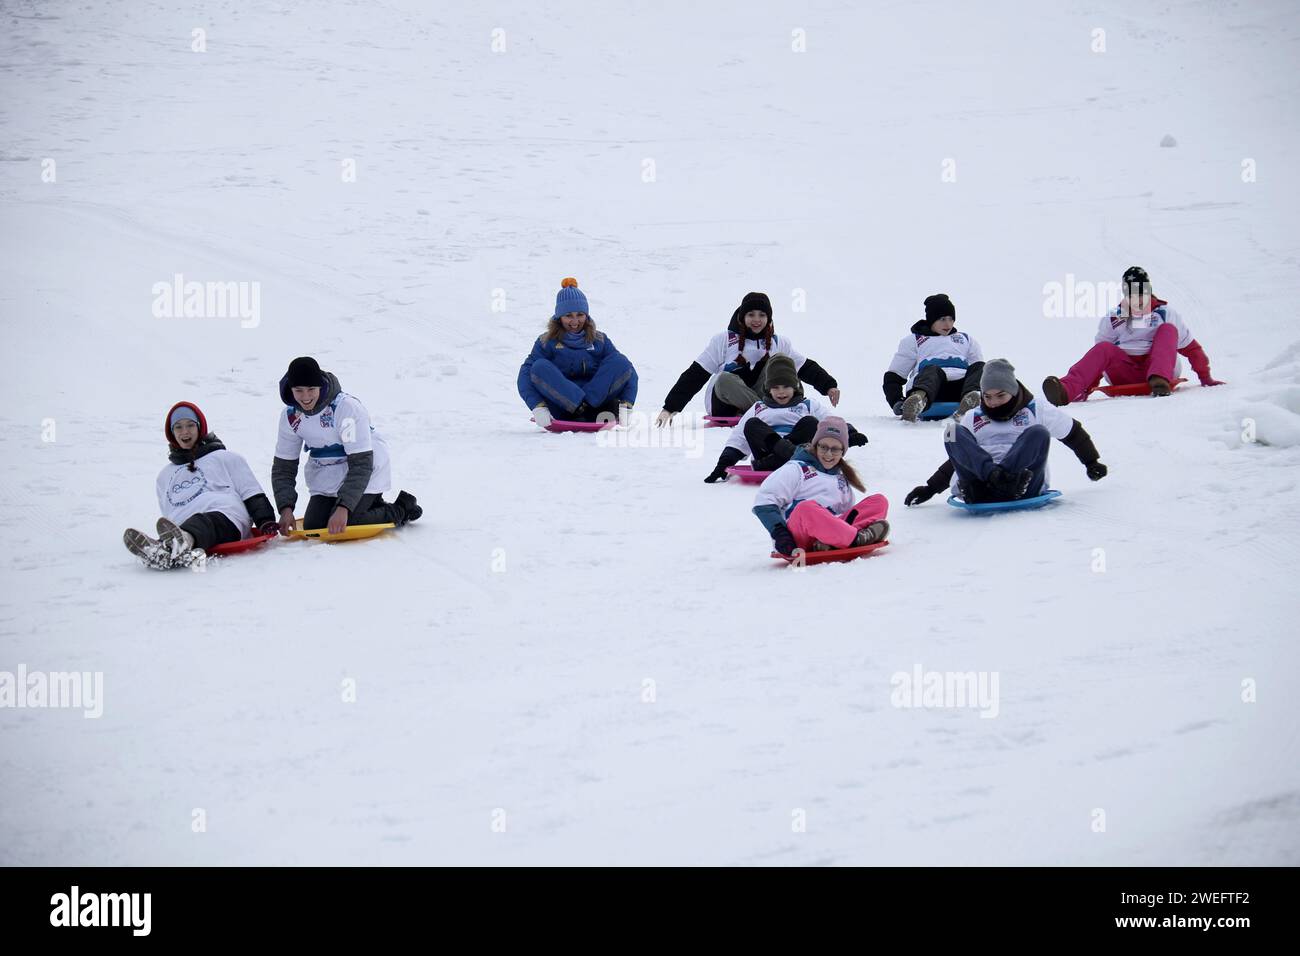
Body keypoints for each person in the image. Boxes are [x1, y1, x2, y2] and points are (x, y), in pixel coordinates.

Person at [904, 359, 1108, 506]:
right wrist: (930, 488)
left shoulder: (1036, 409)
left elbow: (1073, 433)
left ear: (1013, 390)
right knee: (952, 432)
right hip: (978, 487)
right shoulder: (973, 416)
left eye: (1000, 396)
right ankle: (994, 476)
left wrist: (1091, 462)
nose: (993, 402)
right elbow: (959, 457)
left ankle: (1005, 480)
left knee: (1038, 432)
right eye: (988, 397)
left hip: (1023, 485)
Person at [271, 356, 421, 534]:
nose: (305, 397)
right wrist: (286, 508)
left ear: (320, 385)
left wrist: (344, 507)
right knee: (315, 526)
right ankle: (367, 504)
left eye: (311, 389)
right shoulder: (290, 416)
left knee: (349, 523)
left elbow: (361, 463)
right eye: (299, 390)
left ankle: (402, 507)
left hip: (364, 465)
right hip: (327, 470)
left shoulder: (346, 408)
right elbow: (283, 467)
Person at [123, 402, 277, 570]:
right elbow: (168, 515)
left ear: (200, 428)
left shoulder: (225, 458)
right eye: (178, 427)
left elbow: (251, 492)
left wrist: (265, 521)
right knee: (186, 524)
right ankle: (160, 550)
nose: (185, 431)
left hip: (225, 518)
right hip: (183, 524)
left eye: (190, 425)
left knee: (202, 522)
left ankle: (183, 541)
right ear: (172, 433)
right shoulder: (164, 476)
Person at [1042, 265, 1225, 404]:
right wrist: (1087, 388)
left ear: (1149, 291)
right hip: (1125, 371)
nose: (1137, 299)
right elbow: (1098, 357)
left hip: (1160, 369)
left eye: (1141, 293)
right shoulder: (1115, 317)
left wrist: (1205, 378)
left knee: (1168, 330)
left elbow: (1191, 348)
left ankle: (1159, 380)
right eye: (1132, 294)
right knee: (1104, 347)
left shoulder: (1165, 313)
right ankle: (1067, 390)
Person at [655, 291, 841, 424]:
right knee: (725, 378)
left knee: (780, 367)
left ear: (769, 319)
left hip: (763, 396)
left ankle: (765, 410)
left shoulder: (779, 343)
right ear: (742, 317)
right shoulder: (724, 340)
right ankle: (770, 412)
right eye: (751, 315)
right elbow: (696, 374)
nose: (756, 320)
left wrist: (829, 385)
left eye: (762, 315)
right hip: (725, 402)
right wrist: (670, 407)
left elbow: (804, 367)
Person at [704, 355, 865, 482]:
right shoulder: (760, 407)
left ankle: (780, 458)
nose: (781, 392)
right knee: (752, 424)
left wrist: (850, 433)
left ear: (795, 386)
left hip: (792, 455)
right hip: (765, 454)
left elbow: (832, 421)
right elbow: (738, 437)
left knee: (810, 423)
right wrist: (724, 462)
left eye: (786, 387)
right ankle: (784, 456)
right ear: (768, 388)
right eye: (775, 387)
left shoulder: (807, 405)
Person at [752, 417, 889, 557]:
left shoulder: (840, 479)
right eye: (823, 447)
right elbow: (764, 502)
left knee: (879, 500)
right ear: (815, 445)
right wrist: (780, 534)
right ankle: (856, 540)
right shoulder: (796, 469)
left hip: (831, 536)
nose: (828, 454)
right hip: (798, 539)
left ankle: (832, 543)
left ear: (843, 452)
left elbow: (846, 514)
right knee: (806, 508)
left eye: (835, 449)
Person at [518, 278, 638, 426]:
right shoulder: (546, 342)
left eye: (580, 314)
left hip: (597, 407)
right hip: (561, 407)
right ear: (559, 317)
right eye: (568, 315)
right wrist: (538, 406)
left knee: (620, 361)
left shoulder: (599, 340)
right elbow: (525, 374)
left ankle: (586, 409)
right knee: (539, 366)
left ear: (586, 316)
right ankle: (578, 409)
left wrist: (627, 404)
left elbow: (627, 370)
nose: (575, 321)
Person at [883, 293, 985, 422]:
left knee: (982, 367)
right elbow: (894, 376)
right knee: (932, 369)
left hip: (960, 391)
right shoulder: (915, 340)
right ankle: (918, 401)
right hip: (932, 389)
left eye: (951, 319)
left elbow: (978, 373)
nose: (948, 324)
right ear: (932, 319)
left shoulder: (966, 339)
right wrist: (896, 401)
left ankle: (971, 400)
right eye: (942, 319)